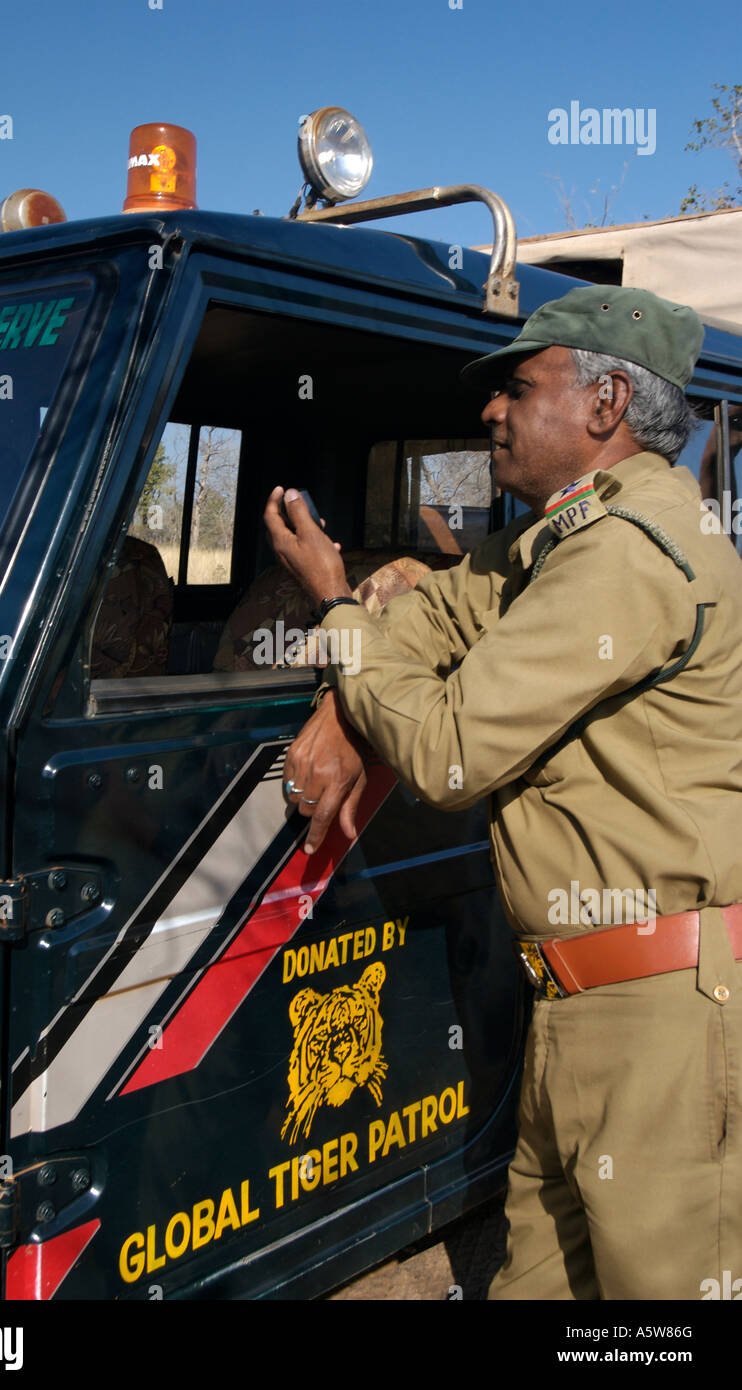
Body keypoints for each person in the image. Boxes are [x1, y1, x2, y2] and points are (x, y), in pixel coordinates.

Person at [263, 283, 742, 1301]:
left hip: (655, 1014)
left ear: (606, 404)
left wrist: (336, 606)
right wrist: (360, 684)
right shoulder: (561, 538)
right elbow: (441, 614)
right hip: (580, 997)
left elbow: (443, 756)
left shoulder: (623, 557)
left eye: (519, 388)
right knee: (538, 1279)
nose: (491, 412)